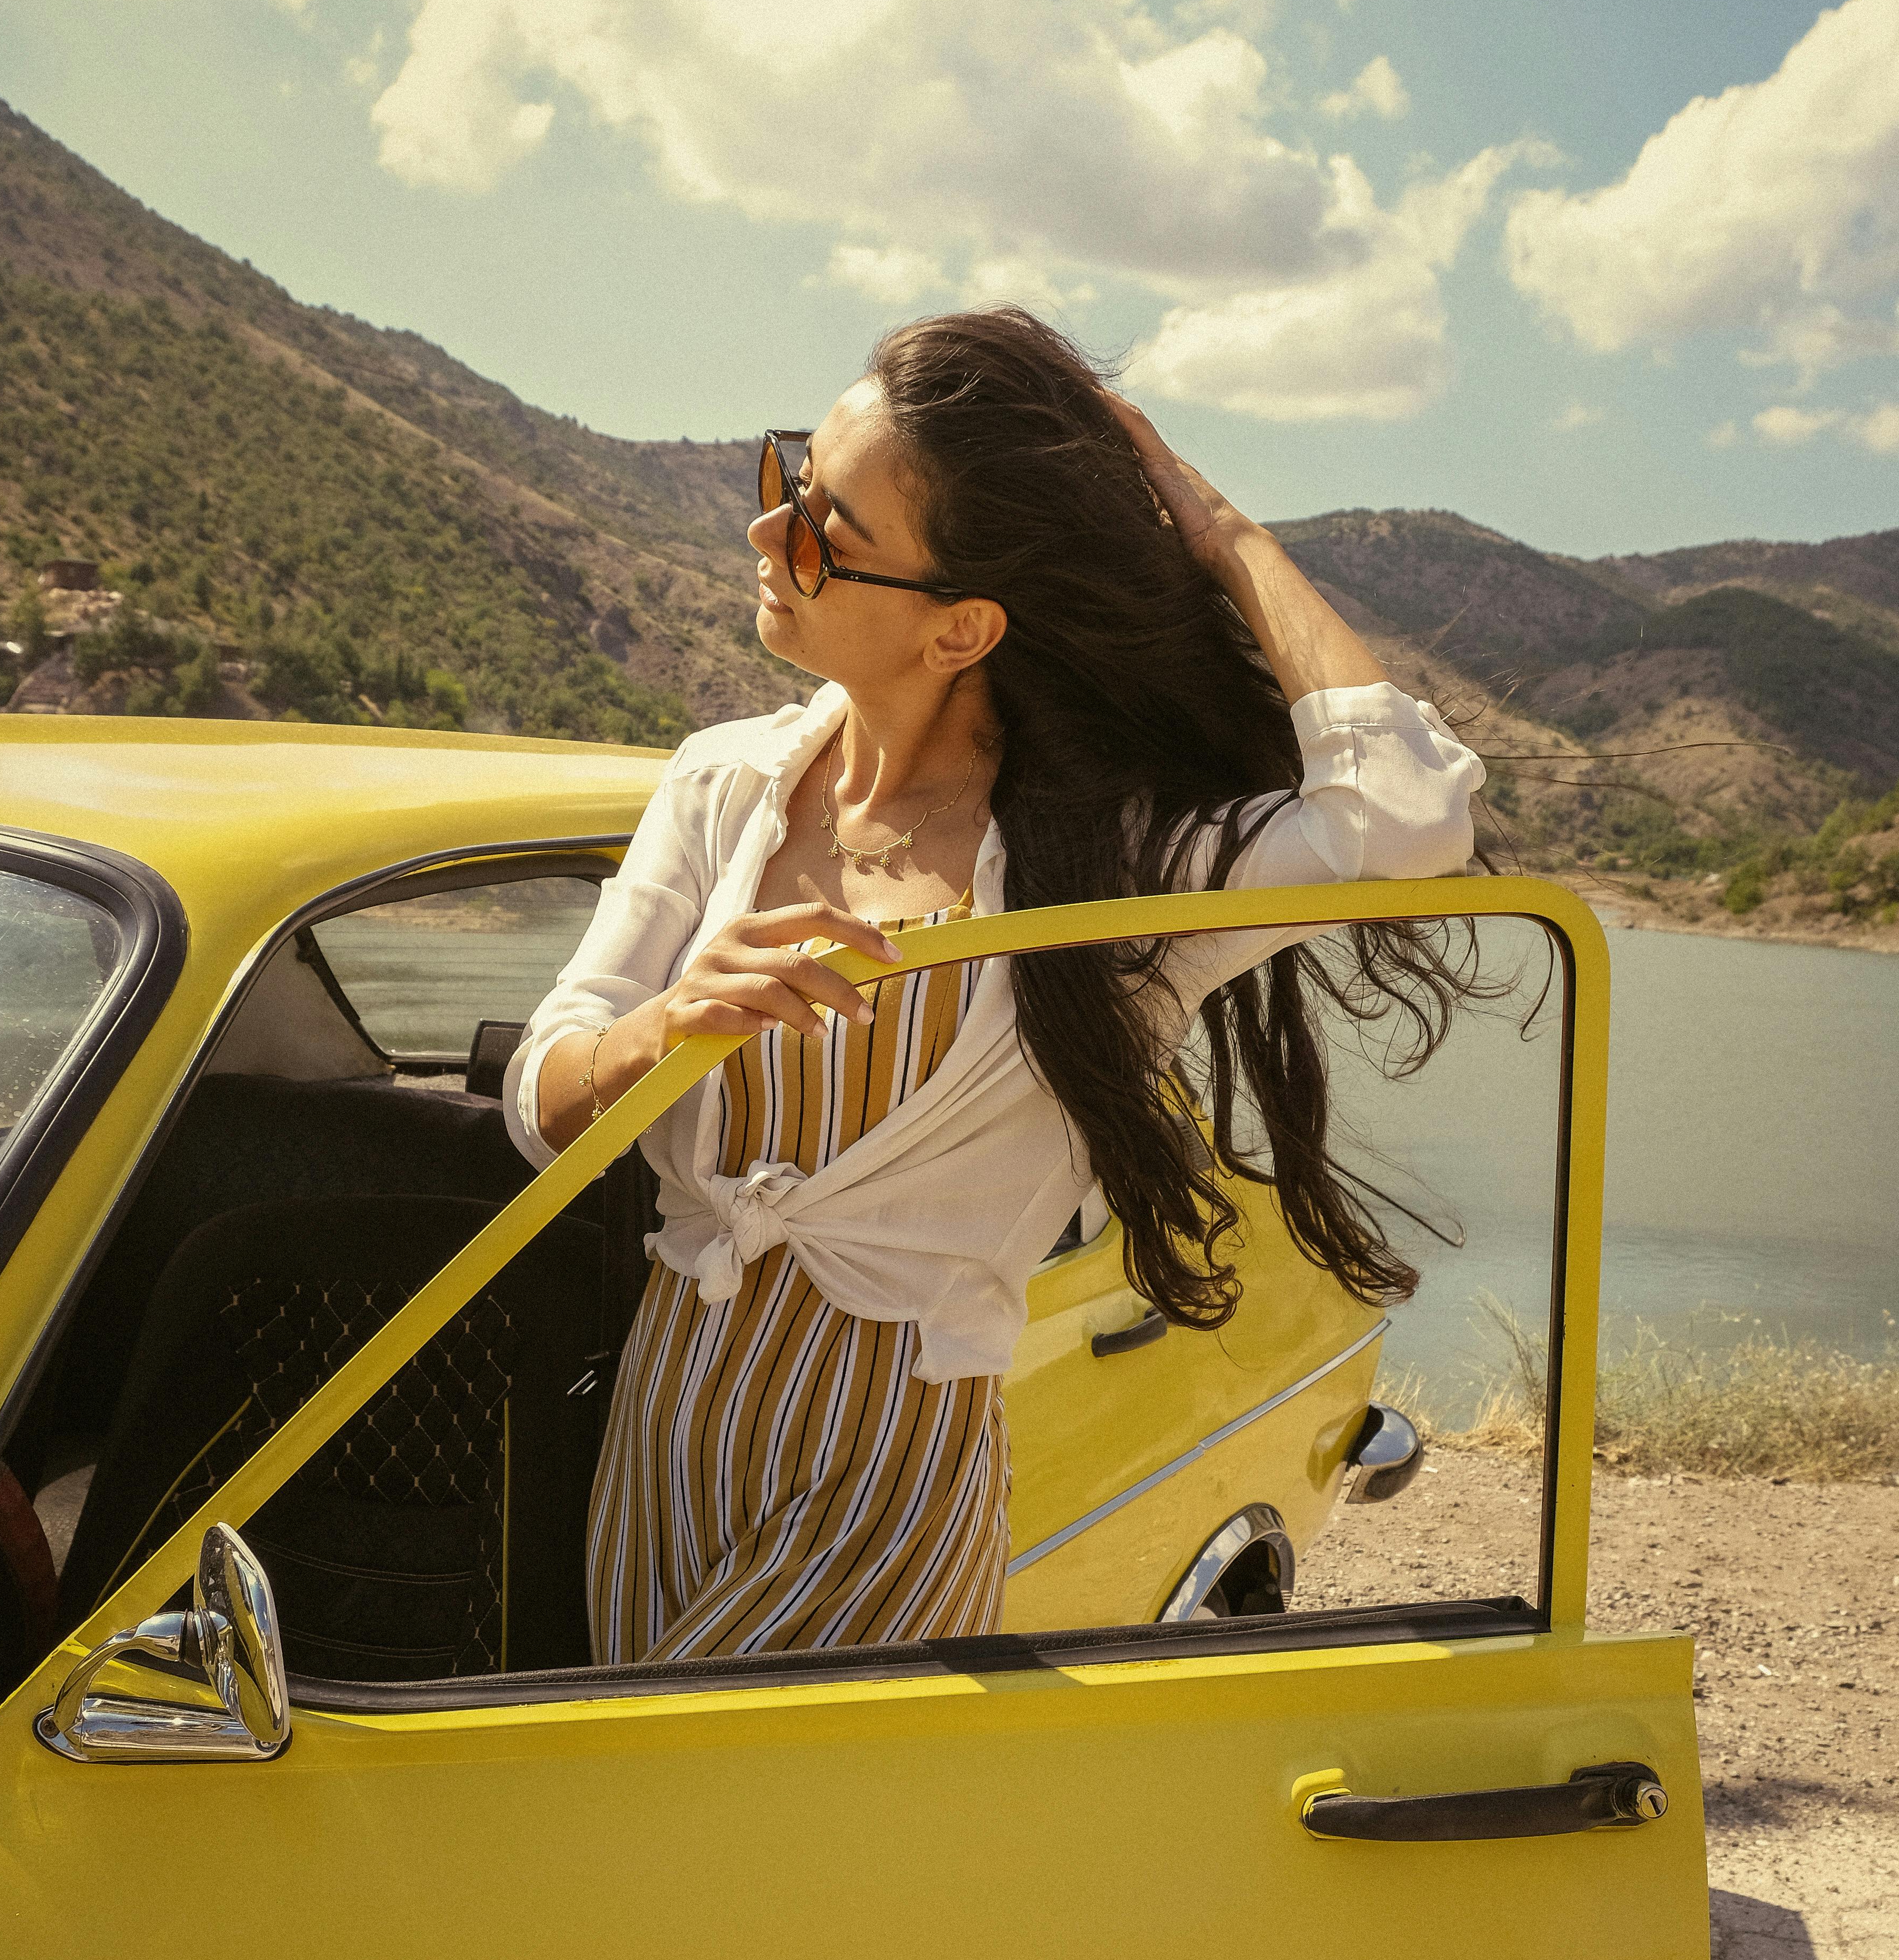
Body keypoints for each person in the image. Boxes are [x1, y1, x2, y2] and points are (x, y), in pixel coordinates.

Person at [504, 308, 1484, 1665]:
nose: (765, 533)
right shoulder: (722, 784)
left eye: (822, 530)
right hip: (669, 1427)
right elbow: (539, 1099)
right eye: (788, 480)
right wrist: (659, 1032)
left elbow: (1406, 820)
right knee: (656, 1796)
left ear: (961, 627)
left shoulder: (1115, 868)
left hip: (889, 1476)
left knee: (687, 1782)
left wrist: (1220, 535)